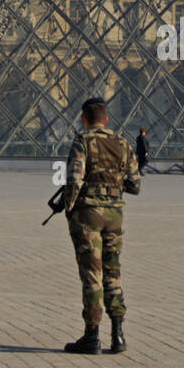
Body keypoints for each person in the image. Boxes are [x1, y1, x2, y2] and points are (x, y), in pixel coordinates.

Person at [63, 97, 141, 354]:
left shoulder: (82, 141)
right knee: (112, 272)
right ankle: (118, 335)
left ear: (83, 119)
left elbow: (74, 179)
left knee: (92, 275)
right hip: (115, 216)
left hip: (89, 215)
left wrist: (69, 207)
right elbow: (135, 185)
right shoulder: (123, 143)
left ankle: (92, 336)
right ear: (106, 119)